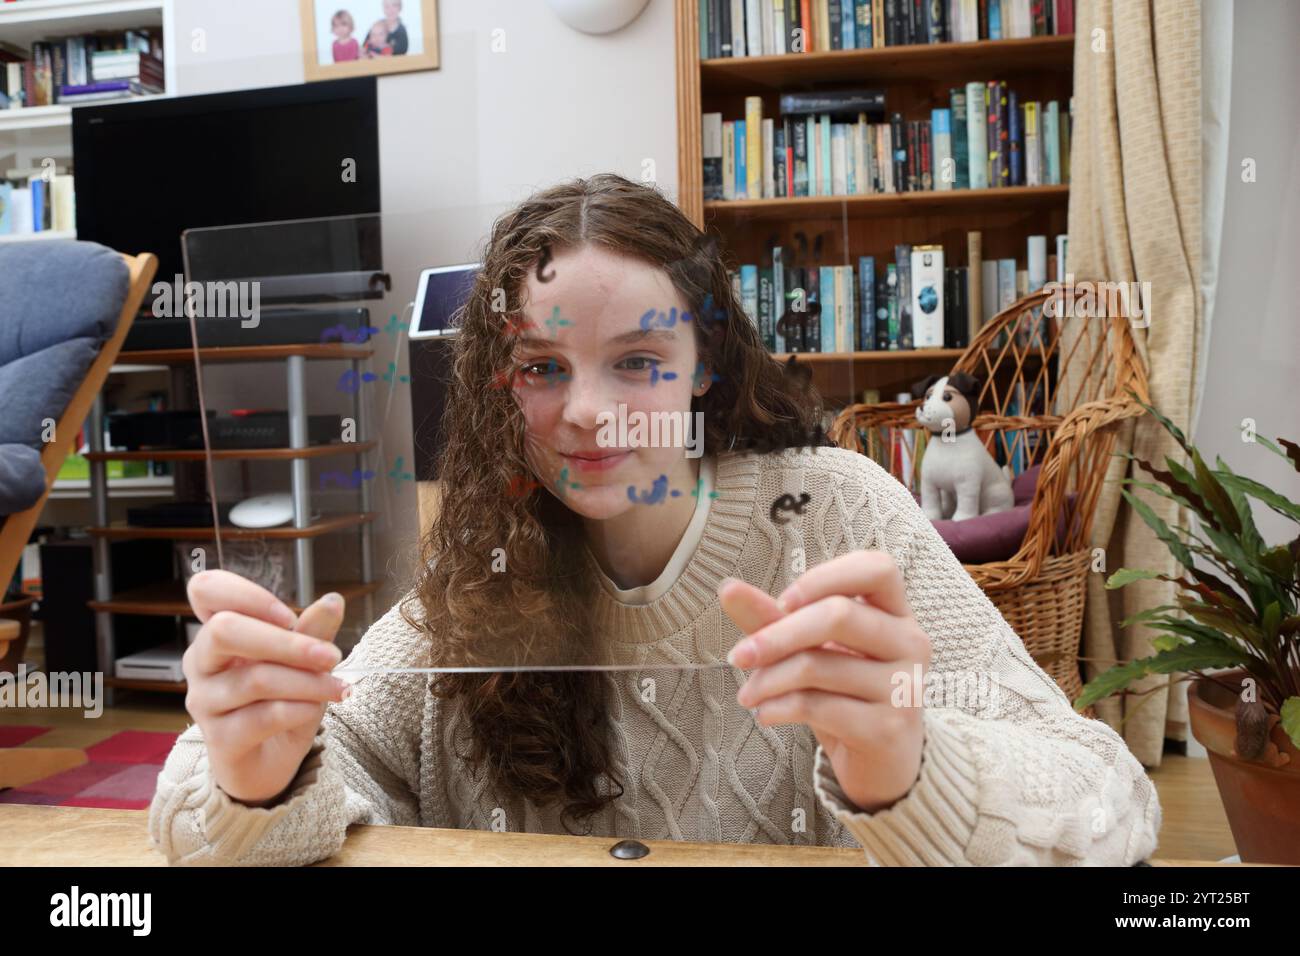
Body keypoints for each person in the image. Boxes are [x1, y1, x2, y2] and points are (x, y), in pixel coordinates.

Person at [148, 174, 1161, 866]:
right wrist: (255, 776)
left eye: (636, 359)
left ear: (703, 366)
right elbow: (234, 809)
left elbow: (1112, 801)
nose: (585, 410)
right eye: (543, 367)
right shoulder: (483, 559)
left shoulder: (840, 511)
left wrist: (914, 766)